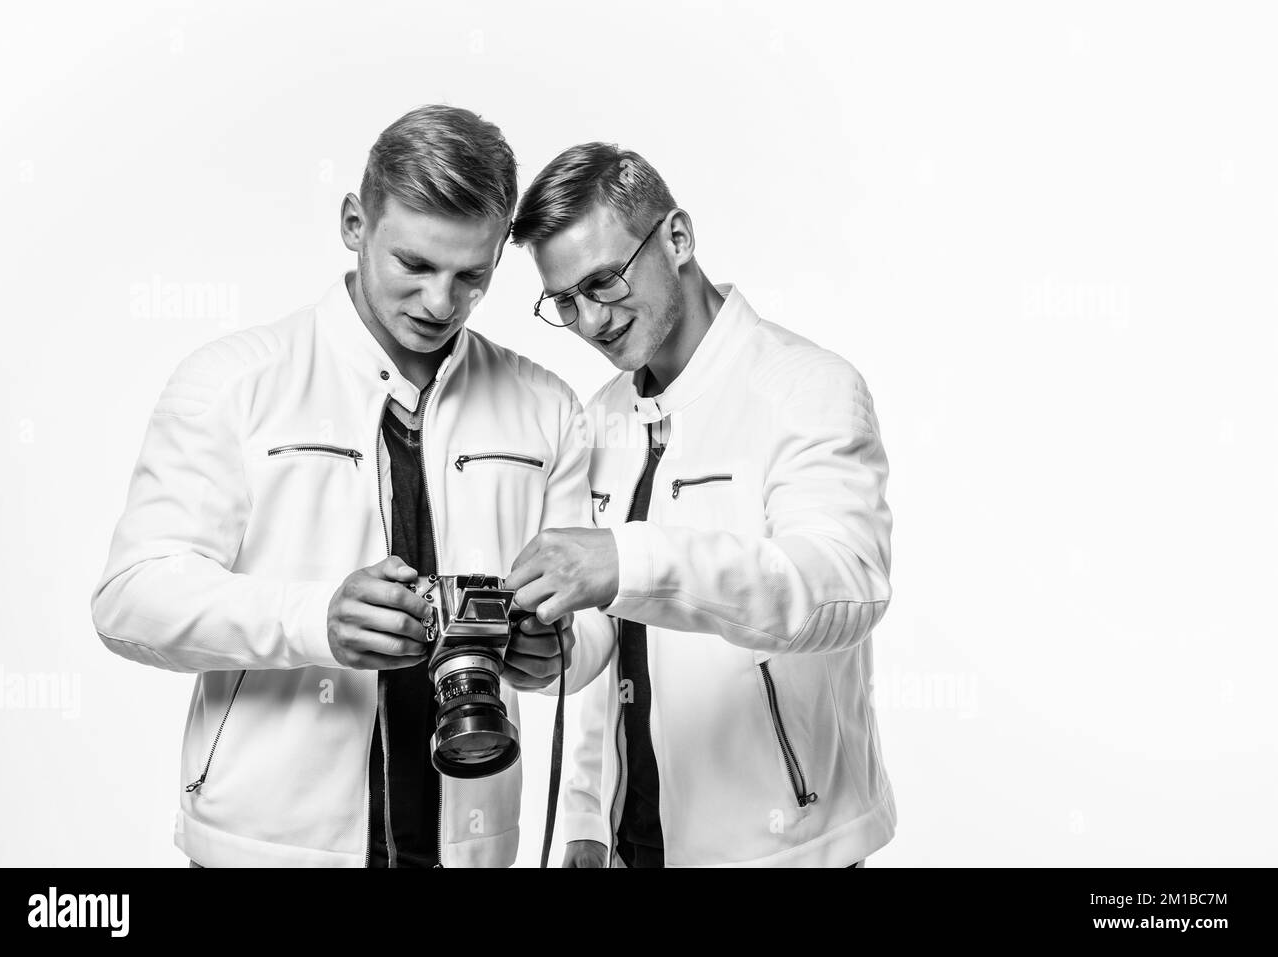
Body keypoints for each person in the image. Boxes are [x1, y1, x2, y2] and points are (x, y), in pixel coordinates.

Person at [91, 105, 611, 868]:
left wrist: (555, 649)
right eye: (415, 265)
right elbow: (129, 598)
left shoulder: (547, 406)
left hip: (470, 842)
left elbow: (593, 624)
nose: (440, 302)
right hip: (264, 850)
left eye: (472, 275)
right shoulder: (232, 382)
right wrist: (313, 619)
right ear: (353, 222)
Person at [505, 143, 896, 867]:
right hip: (629, 846)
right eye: (565, 300)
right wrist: (586, 811)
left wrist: (628, 557)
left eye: (604, 281)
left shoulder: (808, 388)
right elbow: (609, 637)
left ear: (677, 238)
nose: (590, 321)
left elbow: (844, 584)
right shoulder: (599, 417)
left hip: (782, 849)